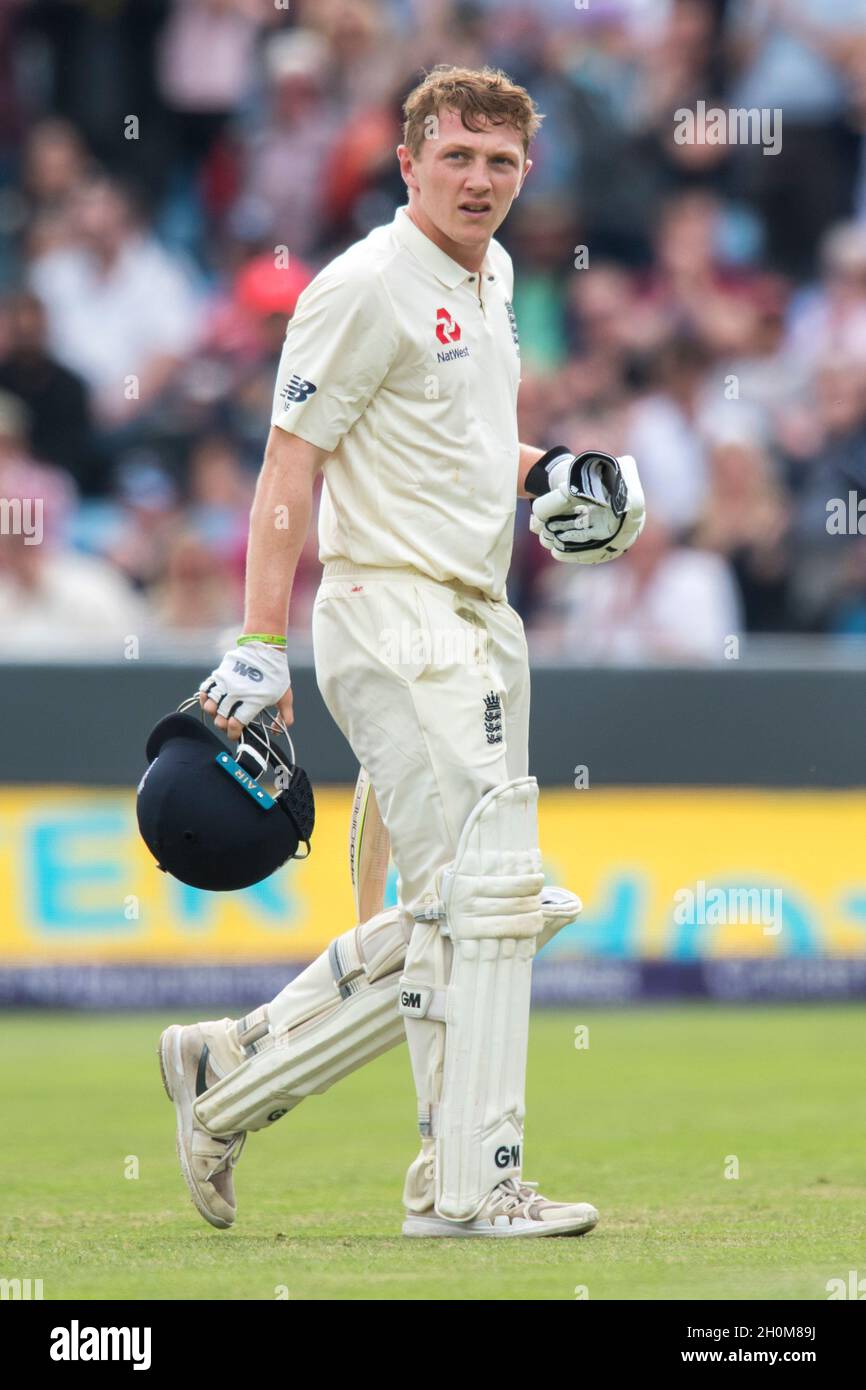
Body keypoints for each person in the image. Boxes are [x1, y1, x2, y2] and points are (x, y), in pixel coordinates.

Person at [158, 65, 644, 1238]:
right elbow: (288, 464)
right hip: (391, 611)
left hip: (481, 617)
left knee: (462, 914)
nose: (478, 179)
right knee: (484, 905)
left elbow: (458, 438)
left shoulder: (496, 278)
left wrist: (550, 472)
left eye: (498, 161)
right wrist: (260, 644)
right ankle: (471, 1187)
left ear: (524, 171)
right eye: (456, 156)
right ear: (408, 161)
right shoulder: (365, 284)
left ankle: (231, 1067)